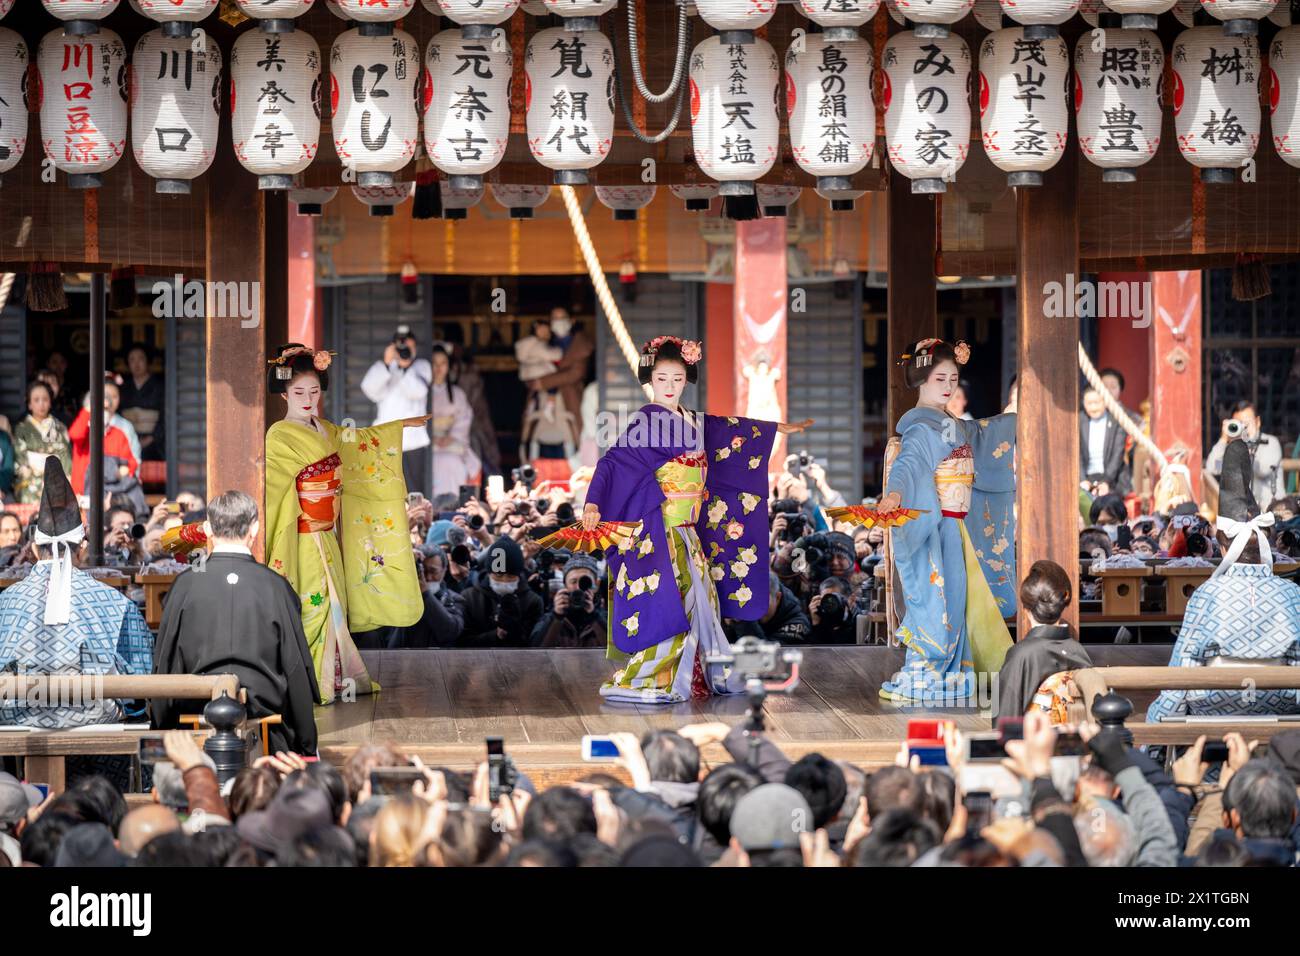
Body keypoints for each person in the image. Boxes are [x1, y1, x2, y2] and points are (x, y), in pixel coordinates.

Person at [580, 336, 811, 704]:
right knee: (676, 600)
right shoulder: (647, 421)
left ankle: (695, 673)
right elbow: (612, 464)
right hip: (662, 531)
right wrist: (594, 502)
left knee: (703, 600)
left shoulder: (692, 420)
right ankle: (660, 675)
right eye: (662, 379)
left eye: (677, 378)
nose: (670, 386)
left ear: (686, 379)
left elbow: (728, 428)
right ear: (650, 381)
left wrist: (773, 430)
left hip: (688, 534)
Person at [264, 344, 427, 704]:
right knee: (314, 606)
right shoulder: (279, 435)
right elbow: (276, 490)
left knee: (335, 605)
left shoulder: (325, 429)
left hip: (329, 535)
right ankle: (307, 682)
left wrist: (399, 426)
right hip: (304, 534)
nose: (308, 399)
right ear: (284, 394)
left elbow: (358, 441)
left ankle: (335, 677)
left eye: (314, 391)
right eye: (298, 392)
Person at [876, 339, 1016, 703]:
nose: (948, 386)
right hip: (940, 529)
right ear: (921, 381)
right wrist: (895, 493)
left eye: (953, 378)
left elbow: (981, 434)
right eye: (940, 378)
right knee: (942, 601)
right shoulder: (923, 427)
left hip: (957, 528)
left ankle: (952, 673)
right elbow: (910, 465)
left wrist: (1013, 418)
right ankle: (931, 670)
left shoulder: (947, 422)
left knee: (956, 601)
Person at [151, 491, 320, 755]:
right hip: (262, 719)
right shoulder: (275, 586)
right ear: (255, 528)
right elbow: (296, 665)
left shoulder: (186, 584)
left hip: (196, 716)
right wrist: (306, 743)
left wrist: (161, 728)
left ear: (207, 528)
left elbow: (165, 659)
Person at [1147, 437, 1300, 725]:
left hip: (1210, 728)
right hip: (1283, 727)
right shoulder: (1293, 595)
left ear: (1221, 544)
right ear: (1270, 542)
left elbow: (1182, 673)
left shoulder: (1207, 596)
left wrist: (1156, 740)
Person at [0, 458, 151, 729]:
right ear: (81, 549)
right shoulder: (113, 602)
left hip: (15, 718)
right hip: (94, 718)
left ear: (35, 550)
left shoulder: (6, 602)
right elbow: (139, 675)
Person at [995, 560, 1093, 719]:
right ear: (1063, 603)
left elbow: (1004, 718)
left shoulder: (1021, 654)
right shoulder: (1078, 650)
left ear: (1026, 607)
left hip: (1034, 741)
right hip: (1074, 740)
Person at [360, 325, 433, 497]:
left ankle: (416, 522)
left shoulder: (421, 366)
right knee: (385, 488)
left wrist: (405, 367)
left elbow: (418, 391)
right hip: (386, 439)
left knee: (413, 490)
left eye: (409, 346)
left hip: (413, 440)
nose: (405, 350)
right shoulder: (386, 367)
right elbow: (369, 389)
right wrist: (387, 364)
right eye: (401, 346)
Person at [524, 308, 593, 447]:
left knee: (571, 439)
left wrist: (543, 382)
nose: (559, 323)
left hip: (569, 398)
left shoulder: (580, 344)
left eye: (562, 318)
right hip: (543, 400)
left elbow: (576, 373)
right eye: (555, 319)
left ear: (571, 320)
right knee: (538, 442)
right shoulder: (544, 342)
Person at [458, 536, 544, 647]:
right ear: (489, 572)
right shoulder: (469, 598)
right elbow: (461, 641)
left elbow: (535, 642)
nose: (504, 580)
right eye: (499, 575)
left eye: (510, 575)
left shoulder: (533, 601)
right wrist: (494, 636)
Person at [1205, 400, 1285, 510]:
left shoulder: (1270, 442)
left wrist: (1248, 442)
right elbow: (1212, 468)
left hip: (1271, 511)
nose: (1244, 427)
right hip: (1244, 514)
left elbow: (1262, 469)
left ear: (1257, 422)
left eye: (1247, 423)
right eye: (1239, 423)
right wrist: (1224, 439)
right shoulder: (1234, 448)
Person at [68, 379, 139, 497]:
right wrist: (89, 408)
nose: (103, 410)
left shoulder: (118, 433)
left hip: (112, 494)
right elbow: (75, 435)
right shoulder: (84, 431)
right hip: (83, 494)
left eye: (105, 409)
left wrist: (122, 472)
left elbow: (132, 463)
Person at [430, 344, 481, 498]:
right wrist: (431, 437)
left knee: (454, 462)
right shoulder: (421, 393)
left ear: (449, 366)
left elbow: (464, 419)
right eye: (435, 363)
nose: (439, 368)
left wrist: (450, 437)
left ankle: (454, 506)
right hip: (428, 443)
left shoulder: (457, 394)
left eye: (443, 363)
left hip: (451, 441)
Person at [11, 381, 72, 504]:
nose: (41, 404)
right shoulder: (21, 429)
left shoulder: (60, 428)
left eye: (45, 399)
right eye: (36, 400)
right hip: (30, 483)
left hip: (56, 481)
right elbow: (20, 461)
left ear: (50, 402)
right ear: (29, 404)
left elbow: (65, 458)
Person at [530, 553, 607, 648]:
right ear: (565, 585)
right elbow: (536, 651)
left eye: (584, 582)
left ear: (596, 585)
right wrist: (556, 616)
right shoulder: (550, 618)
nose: (578, 587)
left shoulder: (606, 618)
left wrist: (594, 616)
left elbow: (617, 649)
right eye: (573, 582)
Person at [1078, 386, 1130, 497]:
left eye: (1097, 402)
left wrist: (1106, 481)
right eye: (1089, 403)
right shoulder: (1079, 420)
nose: (1093, 407)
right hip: (1086, 476)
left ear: (1105, 402)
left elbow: (1118, 454)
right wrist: (1083, 479)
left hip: (1111, 477)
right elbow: (1077, 454)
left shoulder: (1116, 419)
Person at [118, 344, 165, 462]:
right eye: (132, 359)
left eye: (141, 358)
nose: (136, 364)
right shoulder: (123, 389)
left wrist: (150, 438)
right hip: (128, 442)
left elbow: (165, 417)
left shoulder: (160, 387)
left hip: (154, 443)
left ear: (147, 361)